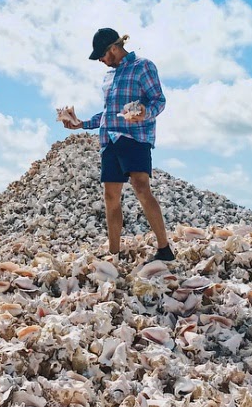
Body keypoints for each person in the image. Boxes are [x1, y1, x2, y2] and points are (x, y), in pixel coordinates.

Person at [63, 28, 175, 263]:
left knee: (141, 188)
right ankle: (114, 253)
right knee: (110, 197)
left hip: (135, 136)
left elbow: (158, 100)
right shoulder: (108, 77)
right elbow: (107, 113)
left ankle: (164, 249)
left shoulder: (143, 66)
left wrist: (144, 113)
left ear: (113, 49)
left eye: (102, 56)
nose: (101, 61)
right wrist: (81, 123)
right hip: (109, 140)